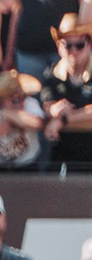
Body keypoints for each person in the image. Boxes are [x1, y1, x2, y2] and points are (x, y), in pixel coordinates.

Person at [41, 13, 92, 170]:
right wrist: (53, 110)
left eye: (79, 45)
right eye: (68, 45)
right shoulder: (51, 73)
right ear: (58, 46)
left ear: (90, 45)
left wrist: (63, 120)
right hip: (63, 154)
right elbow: (47, 105)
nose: (73, 51)